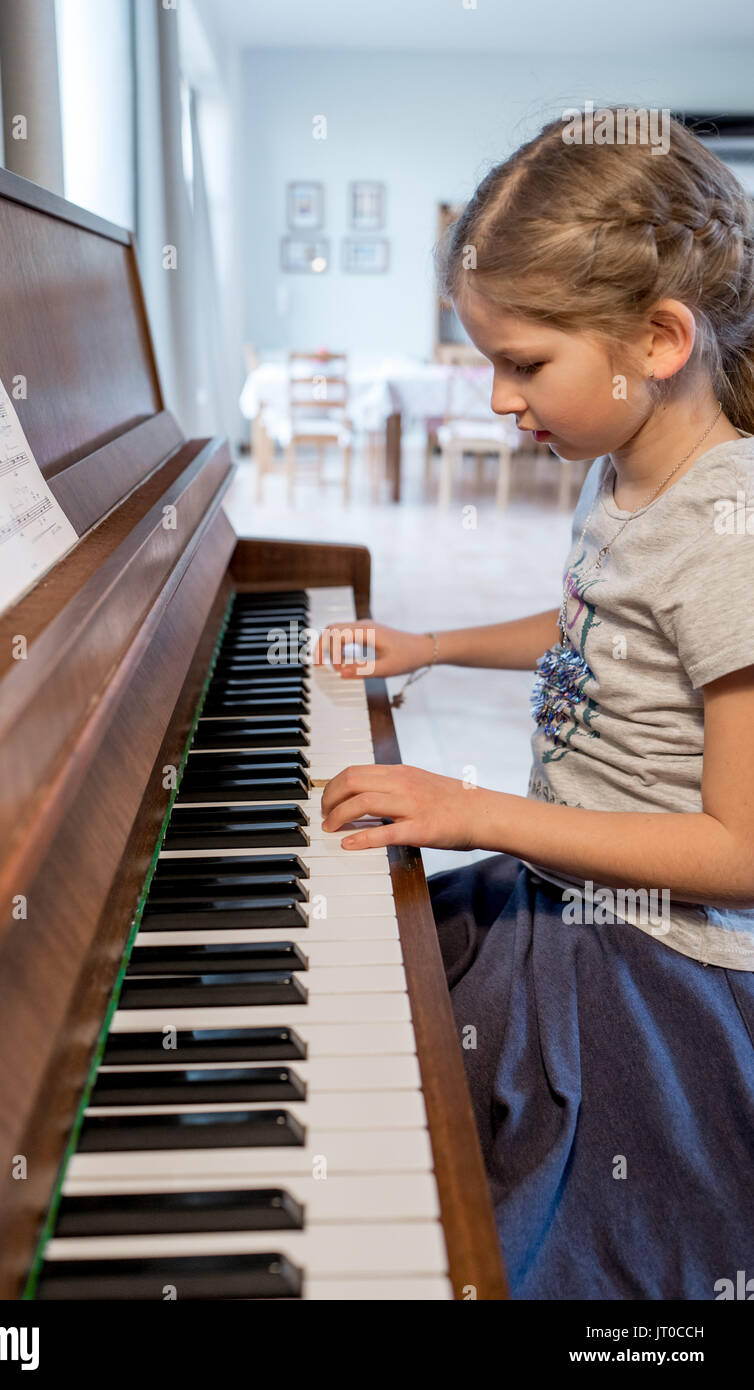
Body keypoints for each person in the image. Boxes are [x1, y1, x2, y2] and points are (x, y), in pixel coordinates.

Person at [315, 108, 754, 1300]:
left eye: (523, 363)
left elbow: (737, 853)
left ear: (656, 339)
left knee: (528, 1256)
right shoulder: (624, 472)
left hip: (660, 965)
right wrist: (438, 643)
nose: (502, 402)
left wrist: (476, 809)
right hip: (567, 891)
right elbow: (592, 634)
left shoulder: (728, 535)